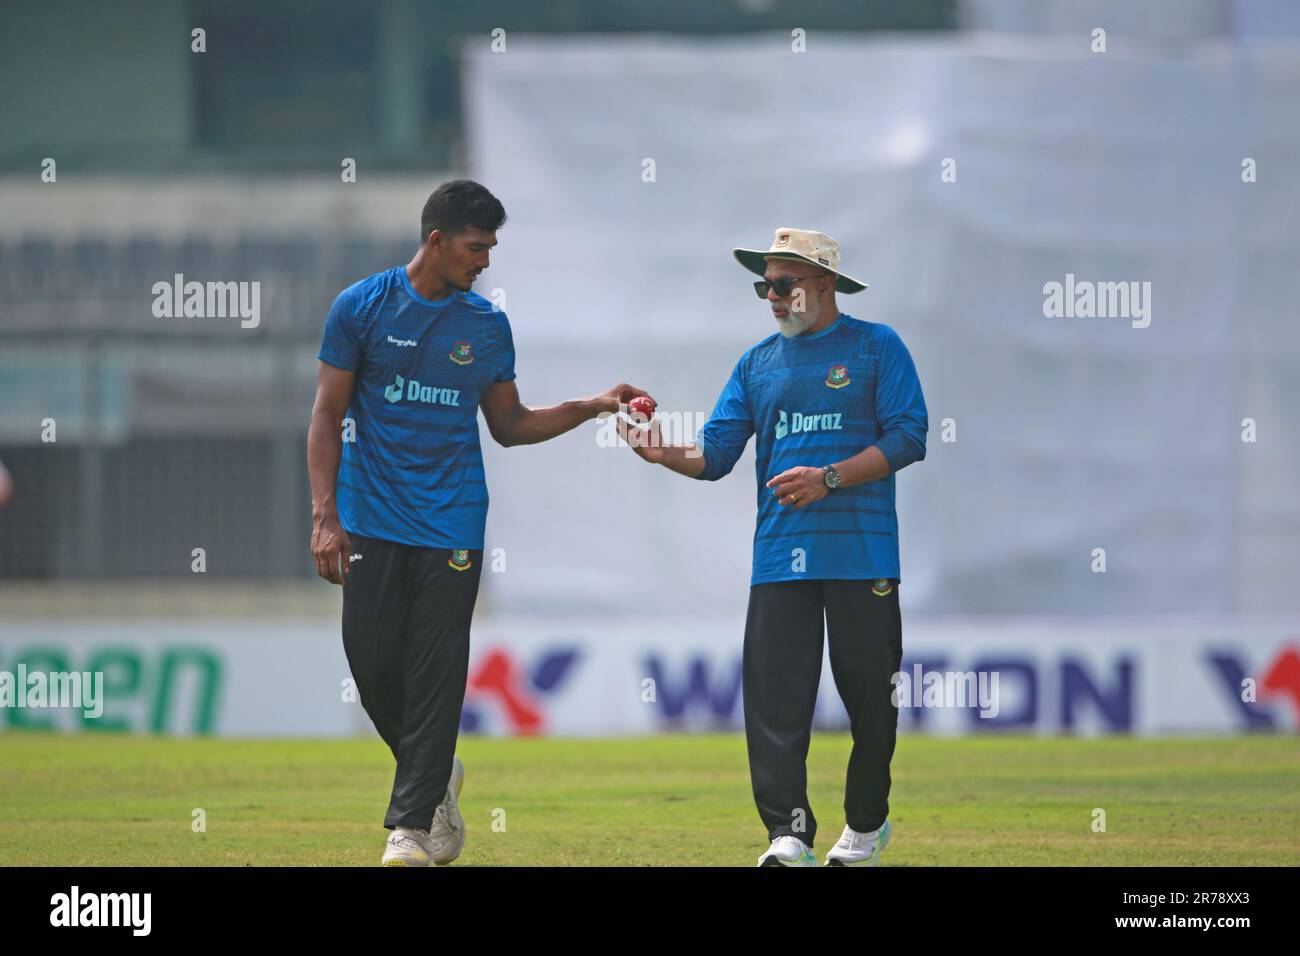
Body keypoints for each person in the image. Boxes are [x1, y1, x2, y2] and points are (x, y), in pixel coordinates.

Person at [307, 180, 651, 866]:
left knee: (436, 669)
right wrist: (325, 516)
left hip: (452, 523)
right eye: (476, 246)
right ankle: (437, 775)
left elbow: (511, 425)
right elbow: (325, 414)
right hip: (370, 518)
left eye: (491, 247)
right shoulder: (361, 308)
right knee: (372, 666)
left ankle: (410, 829)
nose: (485, 260)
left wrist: (593, 405)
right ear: (436, 240)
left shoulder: (486, 326)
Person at [618, 227, 927, 866]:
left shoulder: (877, 348)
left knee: (870, 695)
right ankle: (788, 834)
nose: (771, 297)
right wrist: (660, 451)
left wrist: (830, 478)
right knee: (775, 700)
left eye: (783, 284)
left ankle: (867, 825)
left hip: (862, 555)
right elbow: (715, 455)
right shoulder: (757, 362)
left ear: (825, 284)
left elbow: (909, 436)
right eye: (764, 286)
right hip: (779, 556)